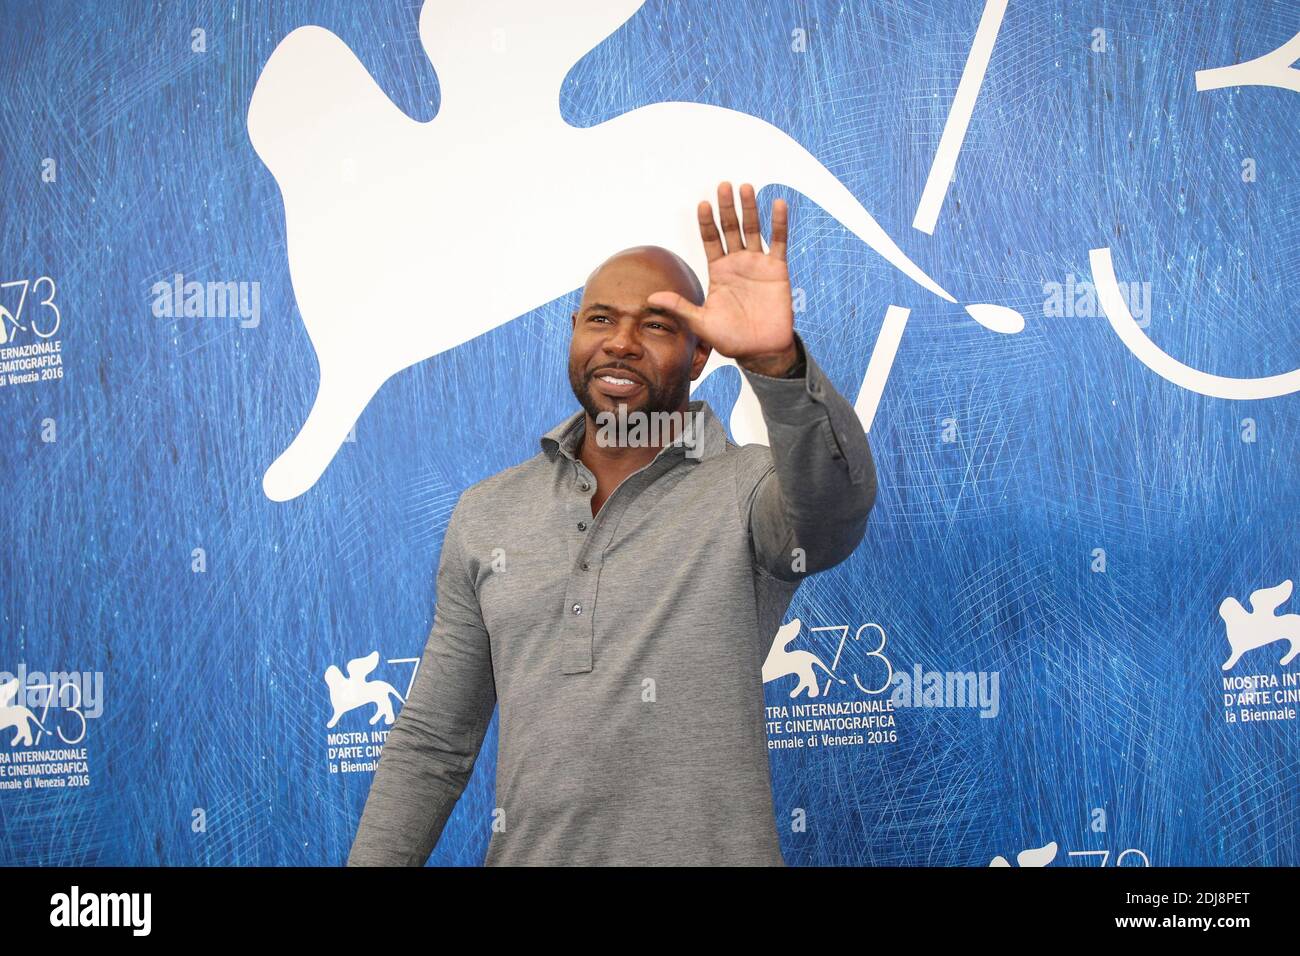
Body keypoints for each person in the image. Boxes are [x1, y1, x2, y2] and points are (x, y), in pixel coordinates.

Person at [347, 181, 876, 866]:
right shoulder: (488, 514)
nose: (620, 343)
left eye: (656, 325)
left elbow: (833, 514)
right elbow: (432, 741)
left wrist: (776, 365)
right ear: (573, 332)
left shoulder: (748, 488)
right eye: (600, 319)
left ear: (700, 353)